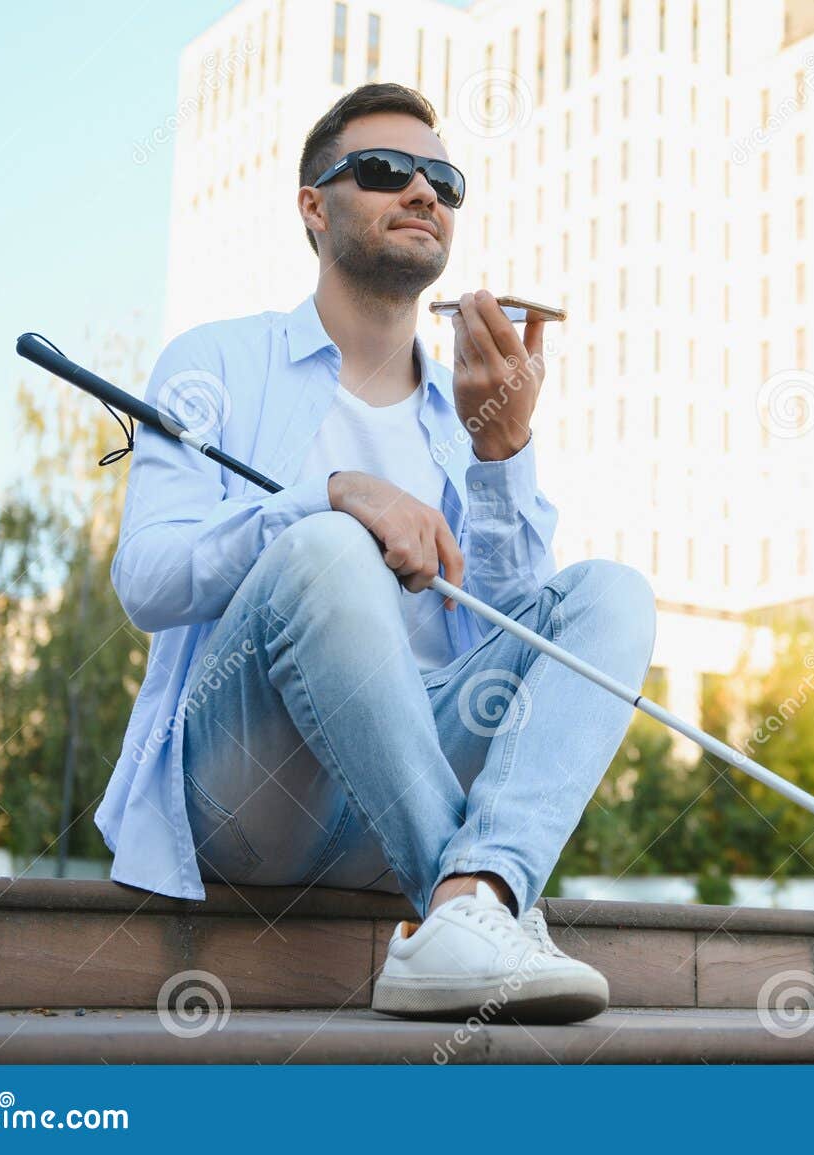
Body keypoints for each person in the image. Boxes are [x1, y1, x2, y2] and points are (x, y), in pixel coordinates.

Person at [98, 83, 658, 1025]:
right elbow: (148, 581)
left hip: (407, 794)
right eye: (385, 170)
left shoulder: (461, 408)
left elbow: (510, 643)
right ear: (315, 206)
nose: (422, 192)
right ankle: (475, 913)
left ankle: (468, 903)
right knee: (326, 548)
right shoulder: (217, 360)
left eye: (443, 178)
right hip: (249, 793)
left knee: (610, 593)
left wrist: (503, 453)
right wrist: (330, 498)